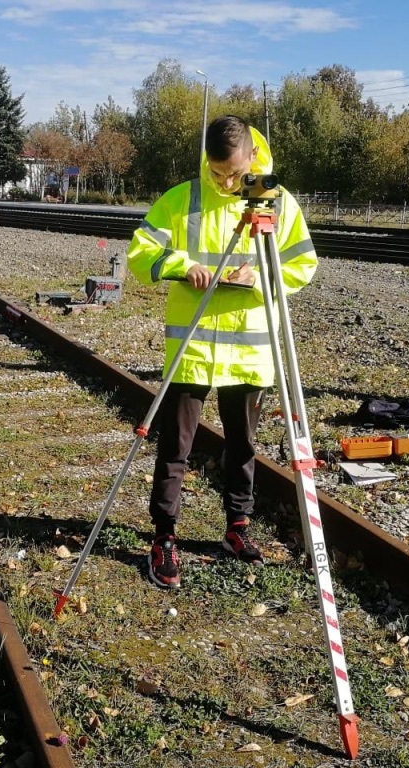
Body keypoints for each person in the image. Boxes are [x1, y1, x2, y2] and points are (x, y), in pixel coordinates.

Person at [126, 115, 318, 589]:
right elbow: (139, 250)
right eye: (217, 173)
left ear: (253, 154)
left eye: (233, 173)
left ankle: (238, 527)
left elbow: (303, 264)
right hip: (193, 346)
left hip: (250, 349)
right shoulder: (183, 198)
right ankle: (164, 536)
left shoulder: (276, 200)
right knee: (176, 444)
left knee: (243, 446)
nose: (227, 182)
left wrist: (261, 279)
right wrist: (179, 264)